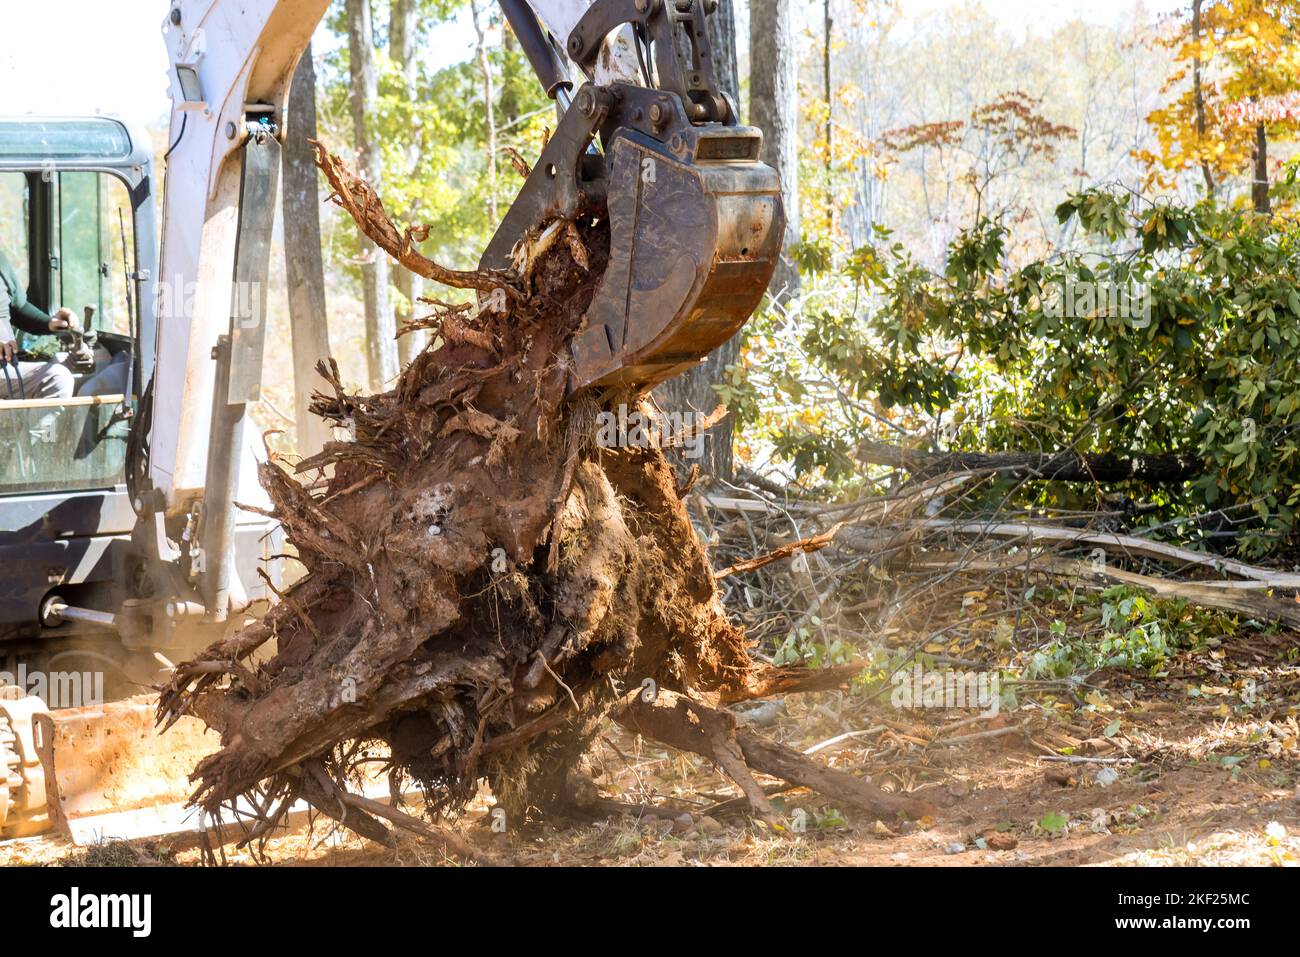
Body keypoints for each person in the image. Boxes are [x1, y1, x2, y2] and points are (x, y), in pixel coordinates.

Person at [1, 249, 75, 439]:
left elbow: (18, 308)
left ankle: (22, 463)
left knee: (58, 379)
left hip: (6, 369)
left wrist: (50, 323)